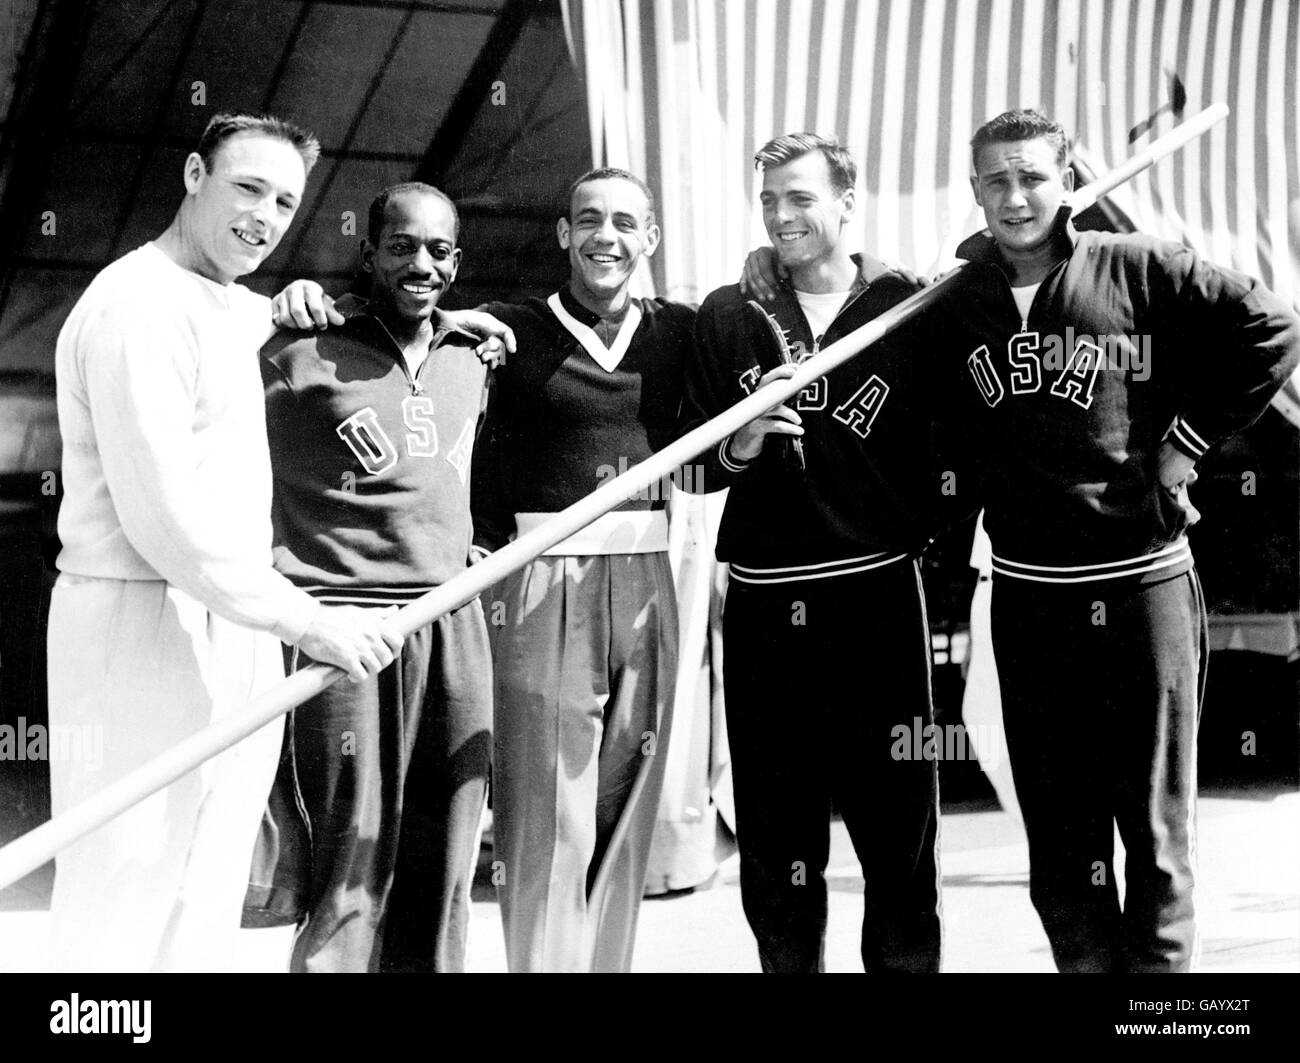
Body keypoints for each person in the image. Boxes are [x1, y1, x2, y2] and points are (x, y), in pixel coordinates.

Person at [939, 109, 1300, 972]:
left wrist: (1188, 444)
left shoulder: (1136, 266)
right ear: (977, 191)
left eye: (1032, 176)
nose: (1016, 196)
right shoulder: (956, 297)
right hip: (1030, 597)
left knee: (1155, 833)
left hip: (1141, 584)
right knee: (1061, 846)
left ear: (1068, 181)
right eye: (997, 180)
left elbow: (1272, 326)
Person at [46, 113, 403, 973]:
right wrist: (305, 620)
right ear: (195, 174)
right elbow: (163, 518)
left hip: (233, 619)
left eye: (285, 201)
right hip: (139, 619)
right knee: (123, 882)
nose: (265, 216)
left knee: (208, 886)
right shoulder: (137, 305)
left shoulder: (225, 302)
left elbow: (257, 314)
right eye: (247, 187)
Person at [680, 133, 947, 973]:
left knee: (899, 833)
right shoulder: (731, 313)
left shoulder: (910, 301)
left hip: (878, 598)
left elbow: (956, 440)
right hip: (766, 602)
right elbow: (687, 467)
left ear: (846, 200)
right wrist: (741, 440)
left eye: (801, 198)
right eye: (769, 201)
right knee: (778, 839)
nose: (783, 216)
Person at [244, 182, 496, 973]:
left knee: (444, 859)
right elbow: (211, 331)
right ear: (368, 253)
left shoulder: (475, 353)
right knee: (352, 864)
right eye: (403, 246)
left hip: (450, 623)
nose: (422, 263)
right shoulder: (294, 347)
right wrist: (279, 300)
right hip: (342, 627)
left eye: (440, 249)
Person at [471, 168, 695, 972]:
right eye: (589, 220)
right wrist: (305, 305)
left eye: (626, 222)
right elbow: (414, 318)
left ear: (650, 239)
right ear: (564, 234)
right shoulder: (511, 326)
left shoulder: (680, 332)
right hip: (542, 579)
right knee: (546, 811)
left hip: (647, 578)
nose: (607, 235)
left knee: (627, 803)